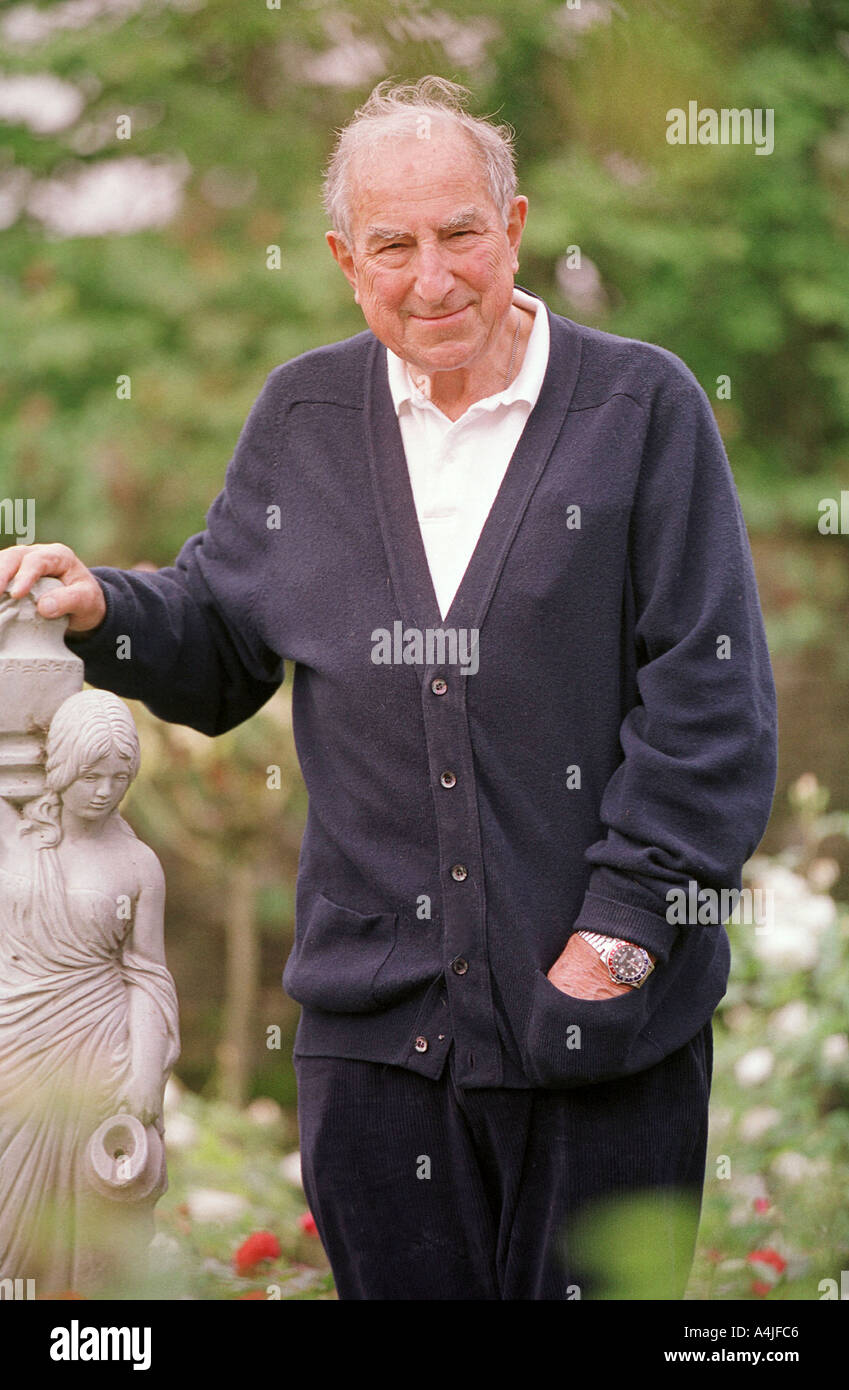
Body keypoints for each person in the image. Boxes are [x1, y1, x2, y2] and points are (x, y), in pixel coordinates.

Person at [0, 75, 777, 1300]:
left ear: (513, 227)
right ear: (343, 259)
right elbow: (223, 637)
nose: (433, 276)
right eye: (394, 245)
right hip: (376, 1051)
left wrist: (624, 939)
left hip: (601, 1032)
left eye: (461, 233)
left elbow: (710, 705)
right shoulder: (304, 417)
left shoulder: (642, 409)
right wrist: (103, 607)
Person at [0, 681, 179, 1292]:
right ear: (61, 768)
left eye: (118, 778)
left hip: (103, 1061)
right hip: (14, 1057)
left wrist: (143, 1075)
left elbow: (147, 977)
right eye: (89, 775)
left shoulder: (137, 865)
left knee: (96, 1233)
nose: (103, 792)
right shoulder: (13, 840)